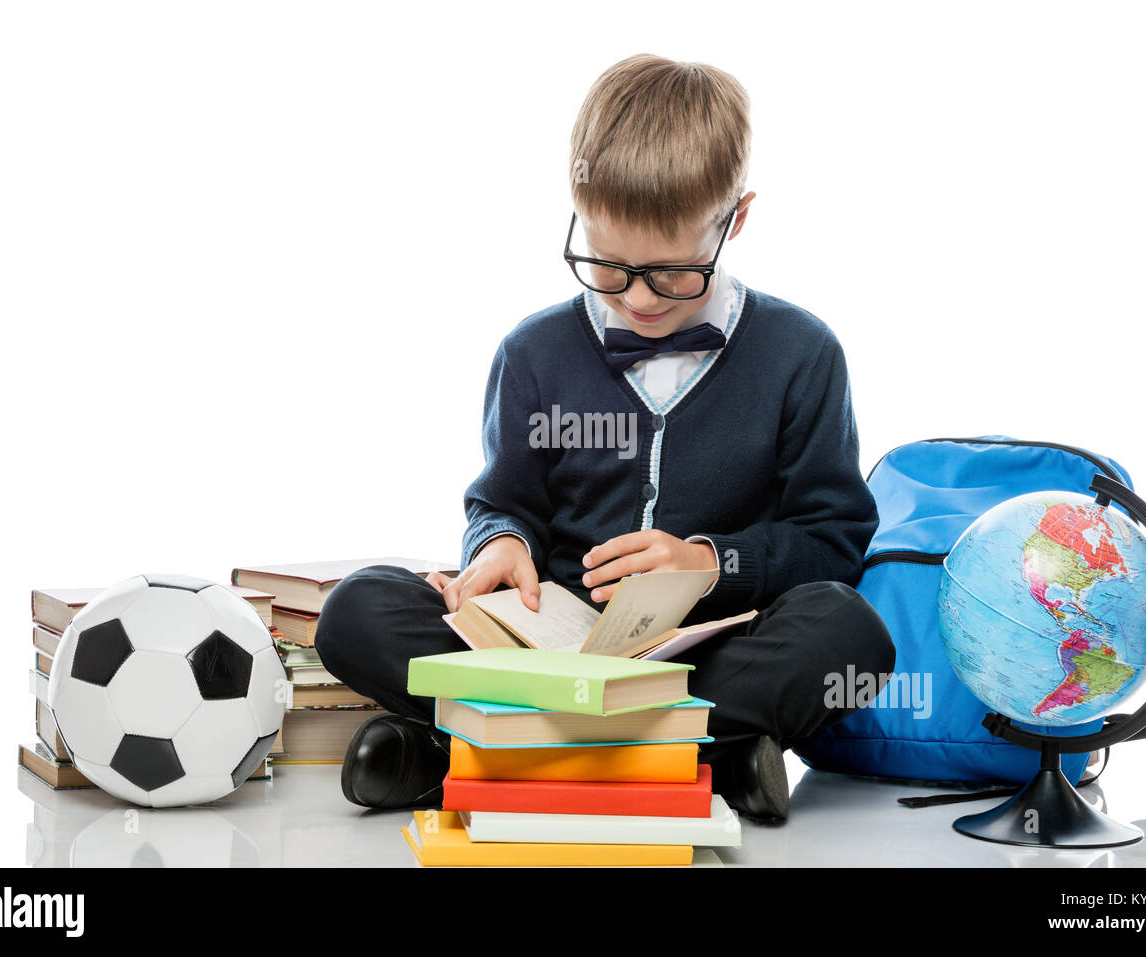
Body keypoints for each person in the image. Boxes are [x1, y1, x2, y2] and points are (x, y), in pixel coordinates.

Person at [315, 54, 894, 823]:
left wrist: (710, 561)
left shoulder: (802, 353)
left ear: (737, 221)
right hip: (543, 657)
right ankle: (697, 763)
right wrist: (499, 544)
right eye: (608, 266)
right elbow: (502, 503)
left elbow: (833, 541)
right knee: (357, 608)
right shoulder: (533, 352)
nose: (639, 298)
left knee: (851, 632)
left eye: (672, 273)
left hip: (701, 657)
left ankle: (473, 758)